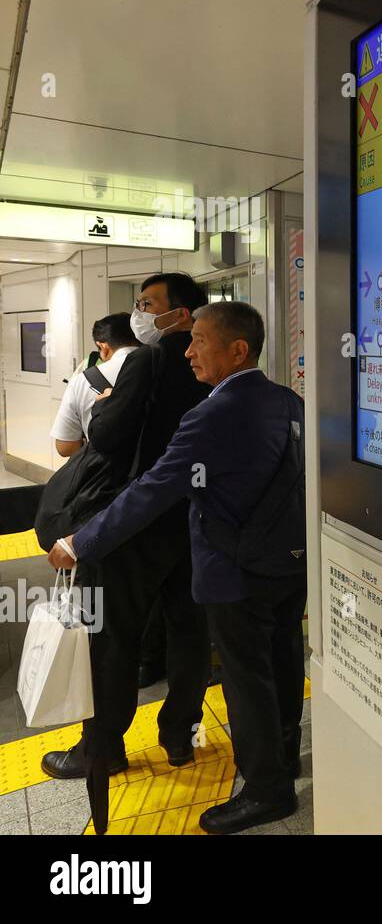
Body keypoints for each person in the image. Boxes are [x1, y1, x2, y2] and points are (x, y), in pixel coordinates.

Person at [49, 301, 308, 835]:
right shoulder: (288, 402)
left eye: (200, 341)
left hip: (233, 571)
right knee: (281, 664)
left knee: (245, 679)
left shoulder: (212, 414)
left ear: (238, 350)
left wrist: (82, 542)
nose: (188, 351)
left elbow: (153, 489)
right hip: (286, 564)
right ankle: (281, 759)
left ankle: (266, 790)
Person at [41, 274, 212, 786]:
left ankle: (104, 748)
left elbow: (110, 438)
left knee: (114, 637)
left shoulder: (149, 360)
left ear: (180, 314)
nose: (138, 313)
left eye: (147, 304)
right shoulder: (218, 367)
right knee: (188, 629)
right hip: (195, 520)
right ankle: (180, 735)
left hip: (134, 521)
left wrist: (104, 404)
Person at [49, 313, 139, 457]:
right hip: (160, 471)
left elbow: (65, 447)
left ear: (102, 346)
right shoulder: (164, 367)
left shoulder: (82, 381)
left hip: (105, 474)